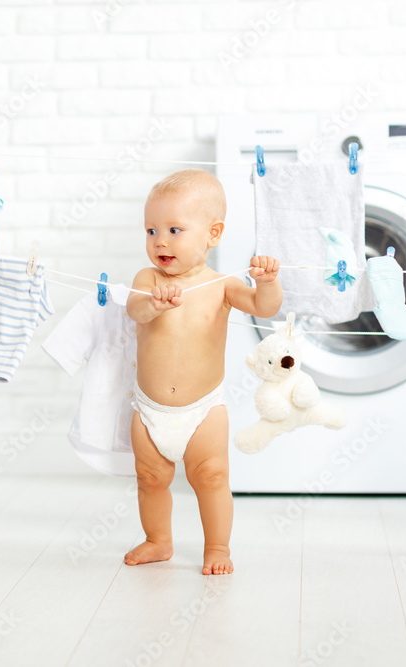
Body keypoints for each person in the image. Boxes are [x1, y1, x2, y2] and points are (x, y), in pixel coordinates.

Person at [125, 169, 282, 575]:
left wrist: (267, 284)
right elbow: (134, 310)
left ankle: (218, 547)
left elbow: (264, 309)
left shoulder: (222, 285)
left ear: (212, 234)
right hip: (150, 410)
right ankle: (158, 540)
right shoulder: (148, 280)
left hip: (204, 411)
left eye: (174, 229)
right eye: (151, 230)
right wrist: (153, 305)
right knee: (149, 478)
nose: (160, 240)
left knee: (211, 476)